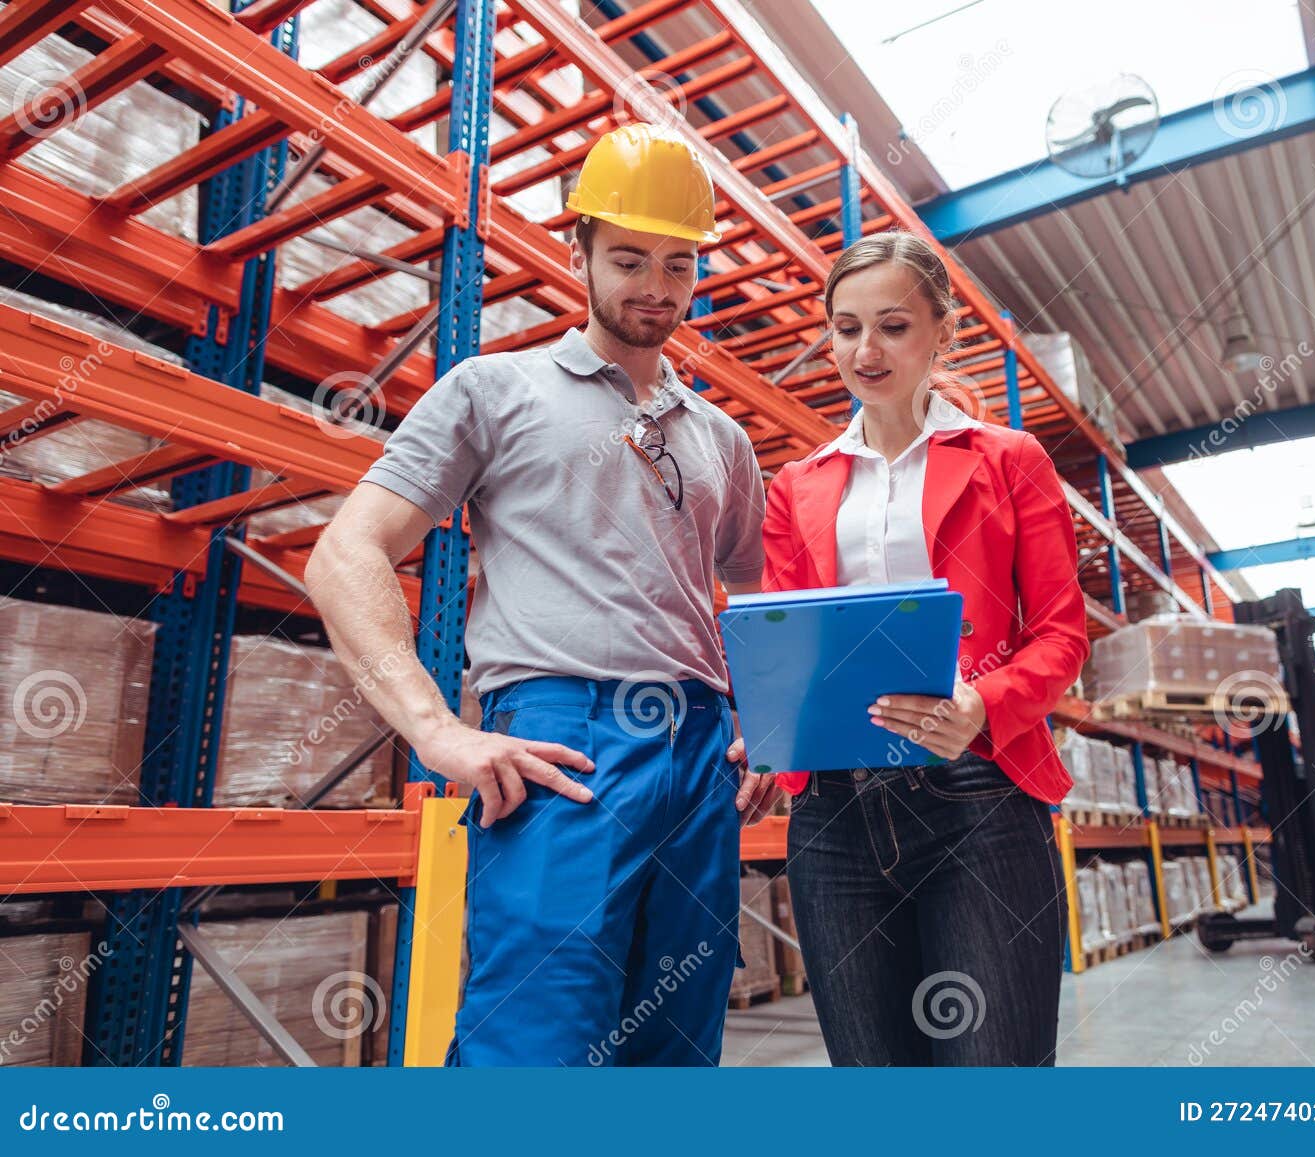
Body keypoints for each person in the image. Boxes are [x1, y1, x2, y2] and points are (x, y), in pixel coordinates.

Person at [305, 123, 781, 1067]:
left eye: (680, 263)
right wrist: (438, 730)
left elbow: (760, 596)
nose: (657, 285)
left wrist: (772, 725)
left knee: (679, 1050)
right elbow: (345, 552)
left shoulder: (723, 440)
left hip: (699, 754)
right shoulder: (495, 390)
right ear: (578, 250)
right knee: (537, 1042)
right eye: (630, 257)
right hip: (564, 742)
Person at [761, 231, 1090, 1066]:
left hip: (977, 800)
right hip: (835, 815)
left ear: (943, 330)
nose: (864, 350)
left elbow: (1061, 632)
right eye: (845, 327)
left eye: (894, 326)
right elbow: (783, 644)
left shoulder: (1011, 462)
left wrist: (981, 703)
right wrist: (766, 725)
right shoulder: (796, 487)